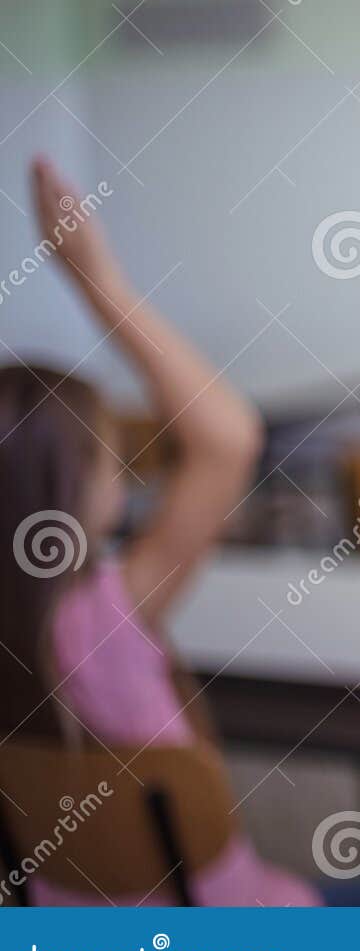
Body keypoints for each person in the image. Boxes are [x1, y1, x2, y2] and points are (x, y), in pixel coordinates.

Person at [0, 158, 317, 906]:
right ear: (72, 493)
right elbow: (228, 437)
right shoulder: (98, 622)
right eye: (111, 459)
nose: (126, 474)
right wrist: (95, 278)